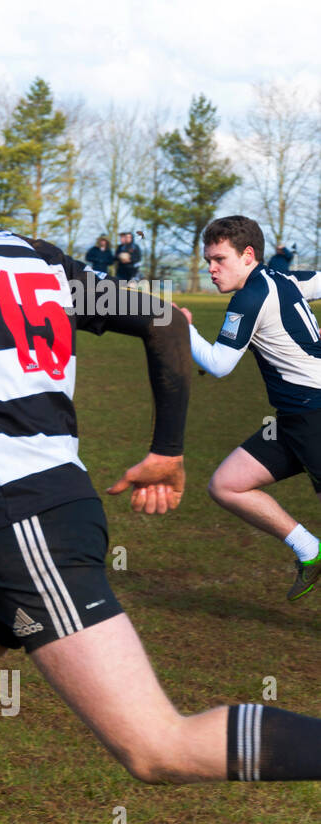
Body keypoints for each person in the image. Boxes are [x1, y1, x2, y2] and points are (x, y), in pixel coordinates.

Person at [0, 98, 321, 824]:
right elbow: (159, 321)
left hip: (27, 527)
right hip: (5, 533)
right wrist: (168, 448)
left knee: (157, 745)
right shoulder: (36, 254)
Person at [187, 215, 321, 600]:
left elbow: (219, 364)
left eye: (219, 260)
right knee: (227, 485)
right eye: (207, 260)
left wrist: (183, 329)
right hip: (293, 419)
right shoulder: (283, 278)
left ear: (247, 255)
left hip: (314, 415)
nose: (211, 269)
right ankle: (309, 550)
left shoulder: (250, 296)